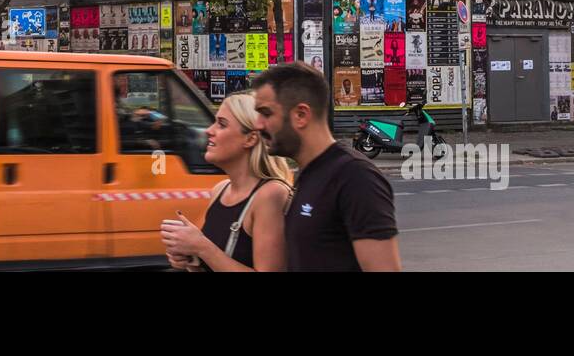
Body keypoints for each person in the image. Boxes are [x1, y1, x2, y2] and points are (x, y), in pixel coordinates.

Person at [252, 61, 401, 271]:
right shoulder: (308, 174)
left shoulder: (355, 177)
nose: (258, 124)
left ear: (301, 115)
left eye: (266, 113)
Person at [159, 93, 292, 272]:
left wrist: (202, 247)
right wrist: (190, 259)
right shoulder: (220, 190)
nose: (209, 130)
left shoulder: (270, 194)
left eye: (221, 124)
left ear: (250, 139)